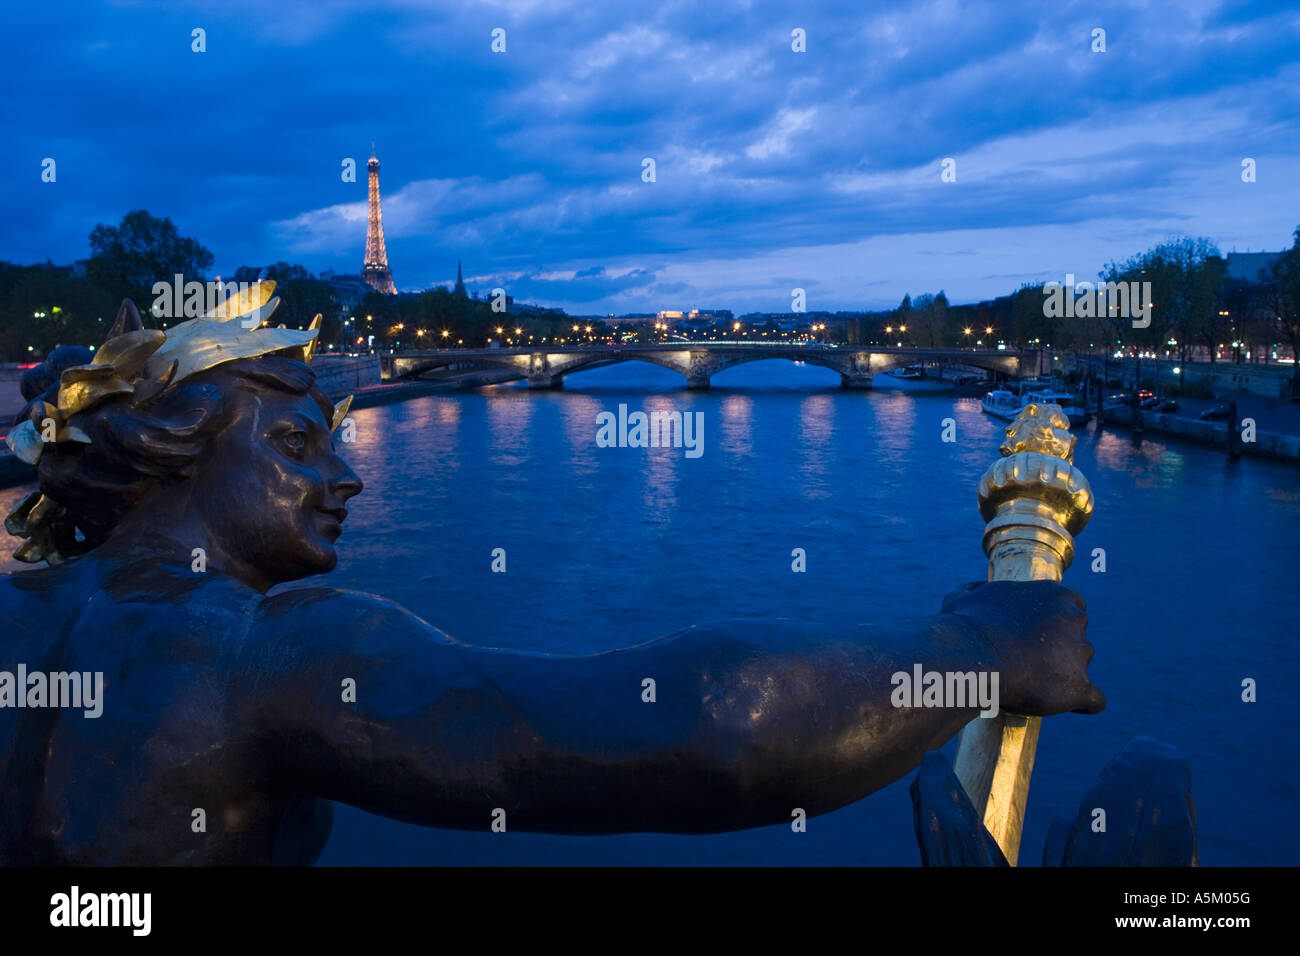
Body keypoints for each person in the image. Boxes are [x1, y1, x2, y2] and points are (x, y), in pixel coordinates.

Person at [0, 297, 1103, 865]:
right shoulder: (266, 651)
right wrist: (980, 652)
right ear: (174, 449)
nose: (346, 476)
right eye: (297, 444)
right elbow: (711, 727)